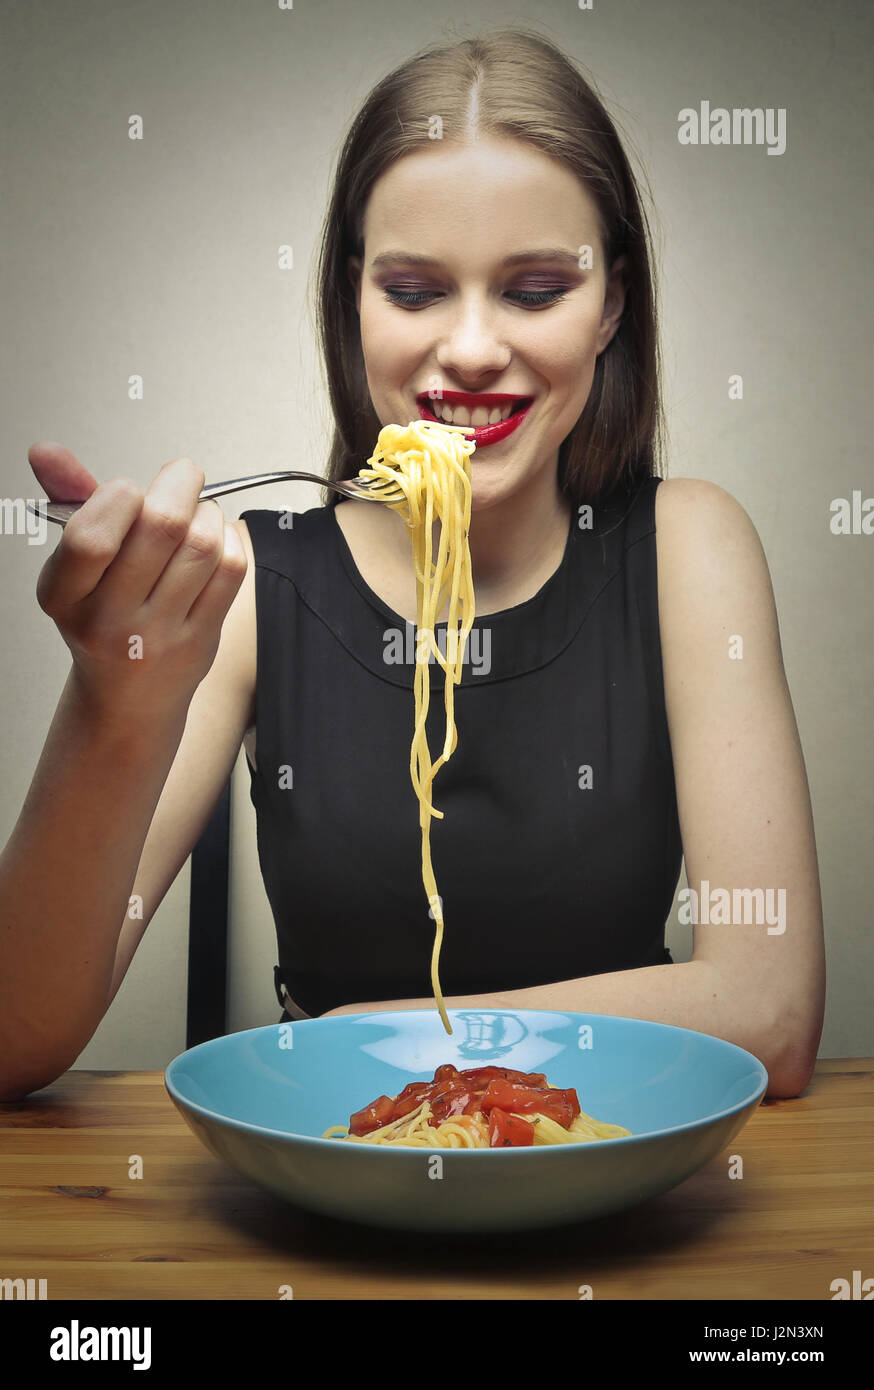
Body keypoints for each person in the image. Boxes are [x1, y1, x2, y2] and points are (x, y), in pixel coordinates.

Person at [0, 28, 824, 1103]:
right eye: (415, 289)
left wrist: (374, 1042)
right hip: (325, 1199)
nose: (474, 347)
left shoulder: (687, 547)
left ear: (611, 304)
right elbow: (13, 1041)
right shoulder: (254, 582)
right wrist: (113, 698)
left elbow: (769, 1014)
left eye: (533, 290)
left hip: (621, 1181)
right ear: (353, 300)